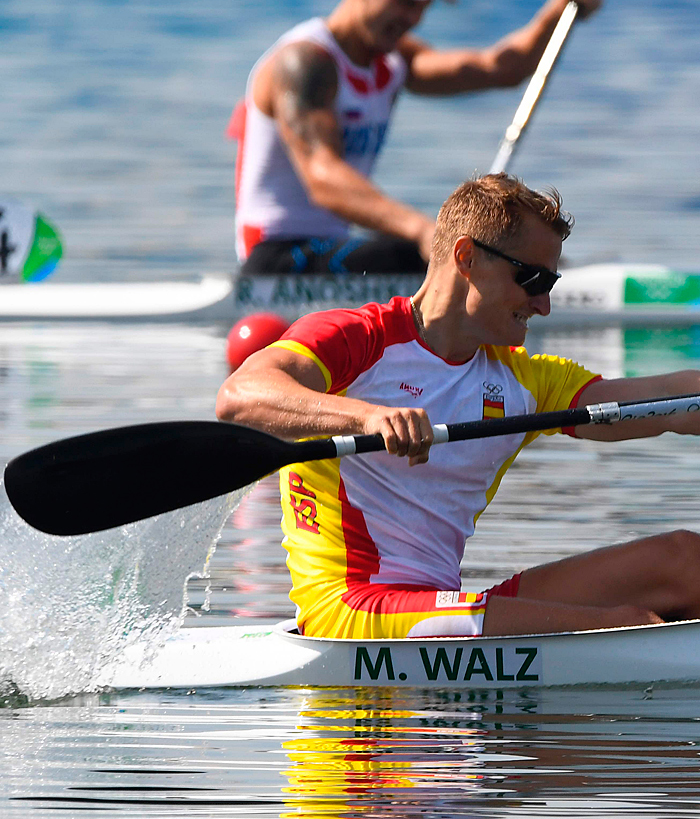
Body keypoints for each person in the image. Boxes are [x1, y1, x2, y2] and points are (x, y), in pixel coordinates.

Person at [216, 172, 700, 640]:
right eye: (531, 279)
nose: (543, 304)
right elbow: (240, 396)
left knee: (686, 560)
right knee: (621, 627)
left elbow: (672, 403)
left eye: (550, 283)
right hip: (351, 611)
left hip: (440, 605)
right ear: (466, 257)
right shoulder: (357, 338)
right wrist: (367, 416)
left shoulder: (523, 380)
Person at [229, 0, 602, 276]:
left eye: (422, 5)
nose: (412, 18)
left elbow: (499, 69)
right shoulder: (305, 62)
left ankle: (535, 279)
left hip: (332, 249)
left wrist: (562, 6)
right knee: (433, 253)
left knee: (463, 252)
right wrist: (425, 231)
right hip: (274, 257)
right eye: (403, 1)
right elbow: (323, 179)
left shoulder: (393, 60)